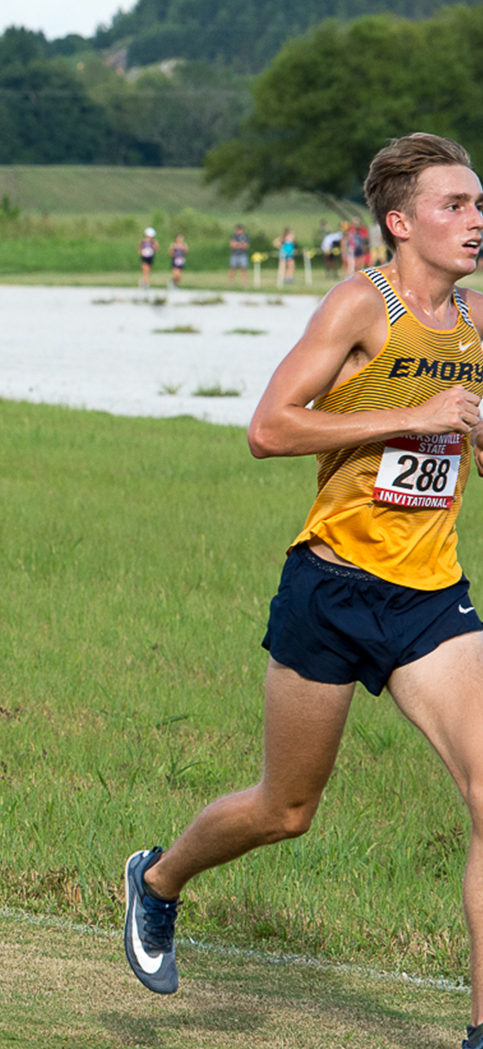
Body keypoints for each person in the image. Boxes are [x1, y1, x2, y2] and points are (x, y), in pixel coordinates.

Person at [122, 133, 483, 1049]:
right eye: (455, 206)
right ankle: (159, 880)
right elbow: (269, 428)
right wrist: (418, 413)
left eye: (480, 205)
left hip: (429, 597)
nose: (476, 221)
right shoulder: (363, 303)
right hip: (330, 585)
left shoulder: (479, 327)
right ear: (400, 223)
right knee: (286, 810)